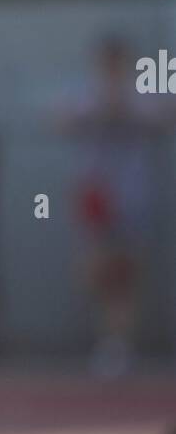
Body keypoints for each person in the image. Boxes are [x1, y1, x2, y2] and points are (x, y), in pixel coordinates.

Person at [56, 35, 173, 376]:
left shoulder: (141, 96)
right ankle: (107, 336)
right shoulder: (87, 95)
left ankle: (117, 344)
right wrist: (98, 111)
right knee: (95, 270)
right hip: (97, 195)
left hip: (132, 197)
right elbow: (60, 119)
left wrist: (124, 109)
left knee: (126, 274)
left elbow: (164, 118)